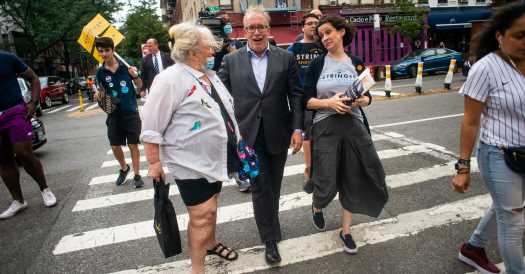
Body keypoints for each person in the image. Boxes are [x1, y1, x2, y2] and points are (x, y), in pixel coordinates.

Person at [142, 22, 241, 274]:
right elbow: (152, 126)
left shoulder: (210, 76)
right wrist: (154, 163)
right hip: (189, 162)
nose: (212, 53)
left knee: (213, 206)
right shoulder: (169, 79)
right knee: (201, 216)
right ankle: (197, 268)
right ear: (194, 51)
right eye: (208, 48)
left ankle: (210, 242)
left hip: (215, 158)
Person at [218, 5, 303, 264]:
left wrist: (298, 128)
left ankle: (271, 224)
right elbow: (220, 97)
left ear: (268, 29)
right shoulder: (231, 61)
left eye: (261, 27)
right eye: (251, 27)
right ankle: (269, 240)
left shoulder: (285, 58)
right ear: (244, 30)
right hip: (248, 137)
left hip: (278, 132)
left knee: (273, 185)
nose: (256, 32)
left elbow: (296, 95)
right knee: (259, 186)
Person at [303, 16, 388, 254]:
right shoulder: (317, 65)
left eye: (329, 32)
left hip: (354, 127)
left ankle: (346, 231)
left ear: (341, 32)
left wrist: (363, 100)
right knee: (326, 182)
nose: (325, 37)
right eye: (321, 35)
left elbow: (367, 96)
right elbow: (306, 101)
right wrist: (329, 102)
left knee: (353, 177)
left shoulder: (357, 63)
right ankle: (317, 205)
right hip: (325, 127)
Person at [452, 3, 525, 274]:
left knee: (506, 208)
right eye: (519, 35)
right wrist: (462, 168)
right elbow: (470, 121)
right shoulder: (486, 69)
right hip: (500, 155)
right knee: (513, 221)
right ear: (499, 35)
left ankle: (473, 247)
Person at [0, 51, 57, 219]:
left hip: (15, 111)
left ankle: (45, 190)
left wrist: (33, 102)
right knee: (3, 160)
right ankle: (18, 200)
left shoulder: (7, 58)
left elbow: (33, 78)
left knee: (24, 153)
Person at [93, 37, 145, 188]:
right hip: (113, 113)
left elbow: (140, 85)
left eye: (106, 50)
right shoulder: (100, 72)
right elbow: (101, 92)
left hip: (130, 111)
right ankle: (124, 168)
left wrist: (135, 76)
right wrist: (98, 95)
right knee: (115, 145)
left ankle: (137, 175)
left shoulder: (126, 67)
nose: (104, 54)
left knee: (133, 145)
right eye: (100, 51)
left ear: (113, 50)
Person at [288, 13, 325, 192]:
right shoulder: (293, 48)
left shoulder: (323, 47)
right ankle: (309, 170)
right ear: (302, 28)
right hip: (304, 99)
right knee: (308, 134)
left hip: (323, 97)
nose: (312, 26)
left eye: (315, 24)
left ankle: (320, 167)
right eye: (309, 23)